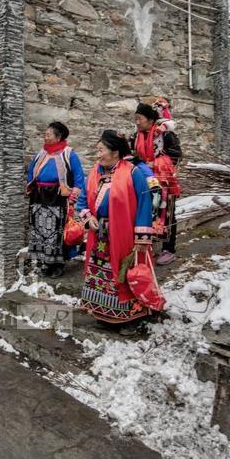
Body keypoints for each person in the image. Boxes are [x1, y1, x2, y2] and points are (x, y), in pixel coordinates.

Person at [77, 130, 156, 334]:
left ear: (115, 152)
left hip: (124, 234)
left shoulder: (133, 173)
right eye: (98, 150)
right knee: (102, 273)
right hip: (99, 233)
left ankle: (130, 319)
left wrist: (142, 238)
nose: (98, 155)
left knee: (123, 272)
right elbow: (82, 199)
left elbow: (144, 205)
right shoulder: (95, 172)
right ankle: (104, 313)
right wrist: (88, 217)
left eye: (101, 150)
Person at [25, 121, 85, 278]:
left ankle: (58, 264)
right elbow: (31, 171)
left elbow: (79, 177)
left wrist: (73, 196)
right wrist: (31, 185)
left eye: (48, 134)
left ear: (58, 137)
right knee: (40, 230)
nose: (45, 137)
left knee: (57, 231)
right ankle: (45, 262)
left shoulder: (69, 154)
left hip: (58, 197)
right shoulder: (41, 154)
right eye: (45, 134)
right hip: (39, 196)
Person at [131, 98, 182, 265]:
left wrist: (155, 164)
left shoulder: (165, 134)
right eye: (135, 118)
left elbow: (176, 155)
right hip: (144, 180)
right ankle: (148, 245)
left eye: (140, 118)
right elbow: (133, 155)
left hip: (163, 180)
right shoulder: (136, 136)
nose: (137, 122)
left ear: (151, 120)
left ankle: (169, 248)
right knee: (146, 211)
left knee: (166, 214)